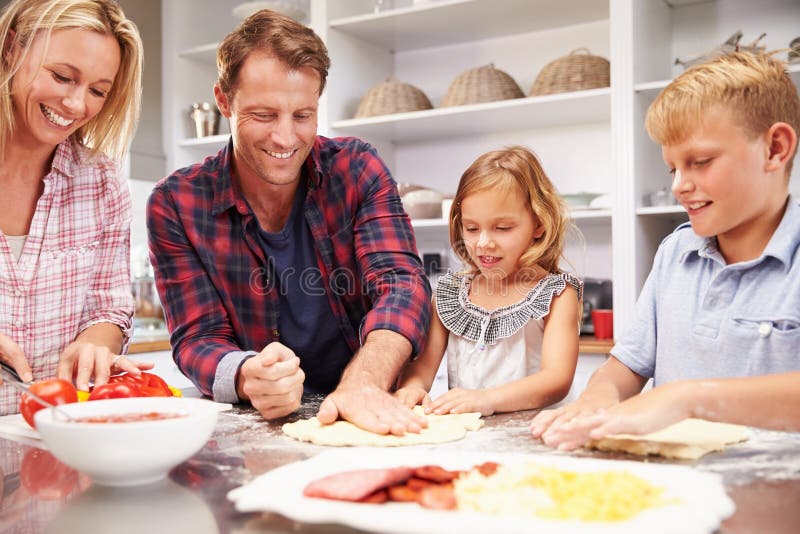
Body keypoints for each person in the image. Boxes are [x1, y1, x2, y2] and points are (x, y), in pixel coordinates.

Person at [147, 10, 432, 434]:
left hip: (367, 408)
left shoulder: (356, 168)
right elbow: (197, 338)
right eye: (263, 115)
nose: (285, 138)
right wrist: (247, 375)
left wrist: (363, 380)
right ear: (224, 101)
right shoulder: (176, 204)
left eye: (302, 115)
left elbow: (402, 285)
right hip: (257, 424)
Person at [530, 51, 800, 450]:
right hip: (677, 486)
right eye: (672, 168)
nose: (679, 185)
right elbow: (628, 364)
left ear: (775, 148)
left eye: (700, 162)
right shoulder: (675, 252)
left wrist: (686, 400)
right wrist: (597, 397)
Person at [0, 0, 147, 415]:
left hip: (53, 442)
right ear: (12, 49)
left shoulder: (100, 181)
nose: (77, 105)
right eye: (62, 76)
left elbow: (109, 306)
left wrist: (95, 344)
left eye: (98, 90)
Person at [395, 146, 583, 416]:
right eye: (471, 228)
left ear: (539, 223)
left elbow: (556, 380)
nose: (483, 243)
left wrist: (488, 400)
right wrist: (411, 388)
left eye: (502, 228)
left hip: (533, 437)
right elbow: (422, 370)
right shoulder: (450, 294)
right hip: (469, 439)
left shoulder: (557, 294)